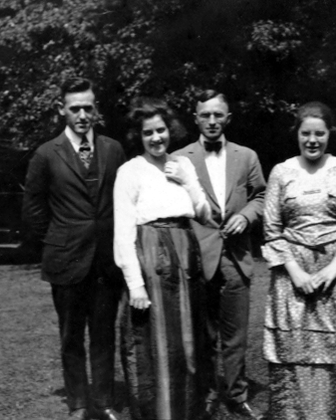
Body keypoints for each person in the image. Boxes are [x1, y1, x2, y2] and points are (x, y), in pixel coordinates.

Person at [261, 102, 336, 420]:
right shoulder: (281, 172)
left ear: (330, 134)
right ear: (296, 134)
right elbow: (272, 230)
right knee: (296, 350)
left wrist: (333, 269)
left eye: (319, 133)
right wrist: (296, 273)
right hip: (293, 275)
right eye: (306, 133)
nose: (312, 140)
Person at [22, 75, 125, 420]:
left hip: (106, 261)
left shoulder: (113, 149)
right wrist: (59, 241)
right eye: (75, 108)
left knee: (104, 333)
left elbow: (124, 201)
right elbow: (34, 211)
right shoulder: (45, 154)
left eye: (88, 108)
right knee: (71, 336)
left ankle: (105, 402)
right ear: (61, 110)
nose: (82, 115)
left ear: (96, 109)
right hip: (66, 261)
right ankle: (79, 404)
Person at [113, 97, 211, 420]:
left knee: (188, 342)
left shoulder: (183, 165)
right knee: (156, 343)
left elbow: (205, 214)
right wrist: (135, 285)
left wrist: (187, 181)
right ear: (138, 136)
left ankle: (188, 412)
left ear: (171, 130)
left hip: (187, 259)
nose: (156, 138)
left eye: (161, 130)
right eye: (148, 132)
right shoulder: (130, 171)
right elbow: (123, 232)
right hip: (152, 260)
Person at [173, 90, 266, 420]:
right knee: (203, 334)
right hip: (198, 259)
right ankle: (207, 394)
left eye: (218, 115)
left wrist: (247, 217)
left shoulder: (247, 156)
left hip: (236, 258)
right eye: (205, 115)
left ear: (228, 118)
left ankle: (237, 394)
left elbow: (261, 196)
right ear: (196, 118)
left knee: (235, 335)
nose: (212, 121)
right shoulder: (179, 159)